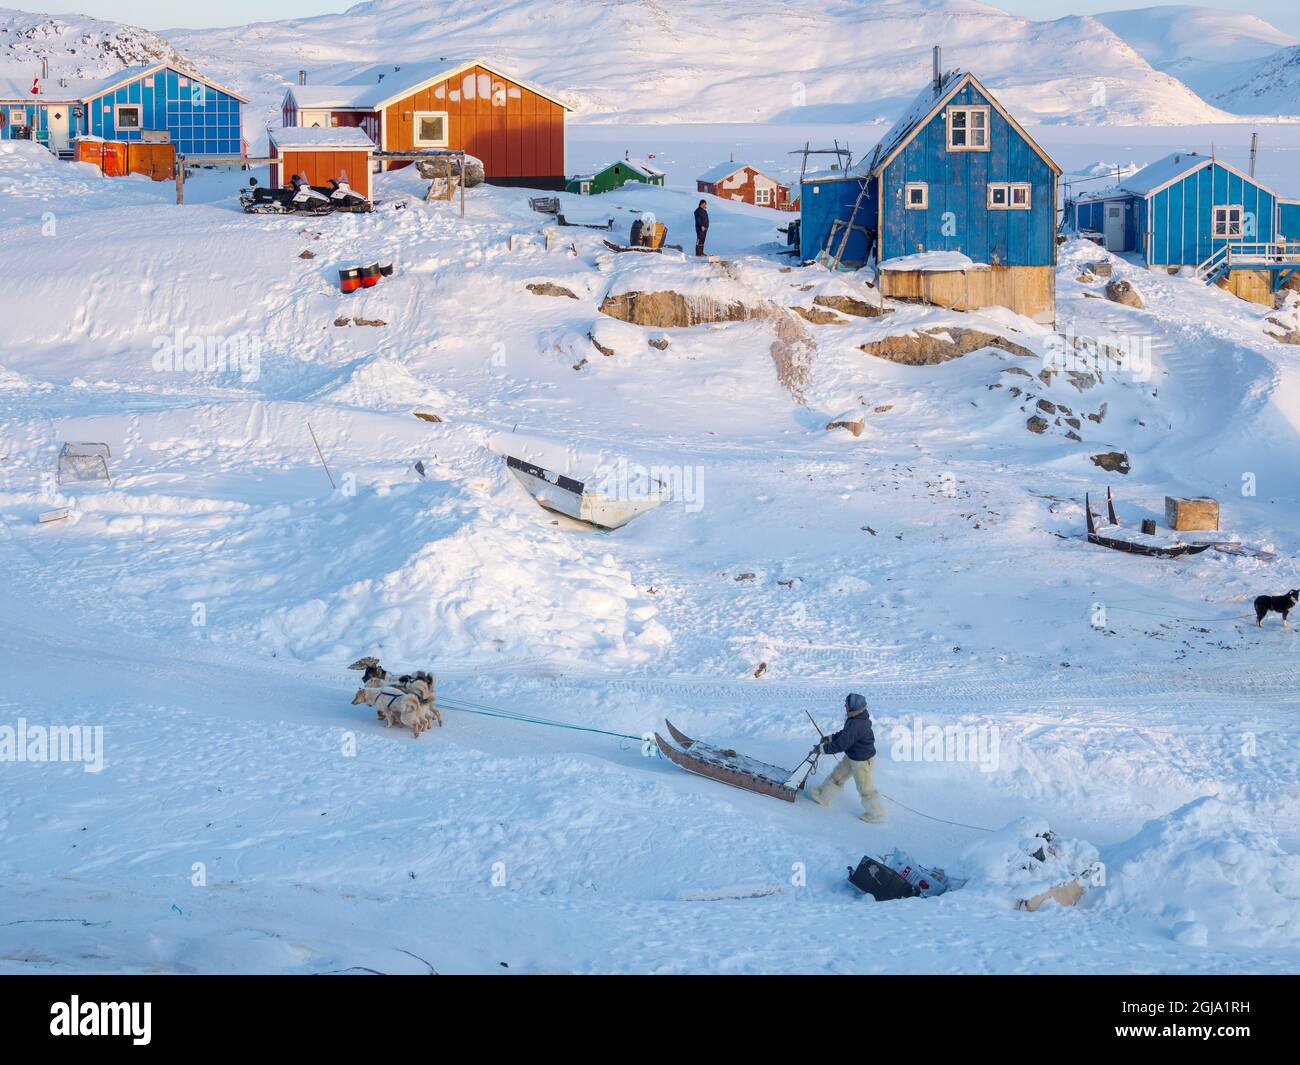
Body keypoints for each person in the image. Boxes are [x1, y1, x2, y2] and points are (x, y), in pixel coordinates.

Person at [809, 693, 885, 822]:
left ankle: (876, 814)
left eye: (847, 703)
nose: (844, 705)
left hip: (862, 762)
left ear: (853, 707)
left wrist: (822, 749)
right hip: (853, 757)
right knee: (837, 777)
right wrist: (830, 738)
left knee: (865, 789)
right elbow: (845, 734)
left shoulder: (857, 724)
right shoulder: (855, 718)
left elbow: (842, 744)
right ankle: (823, 797)